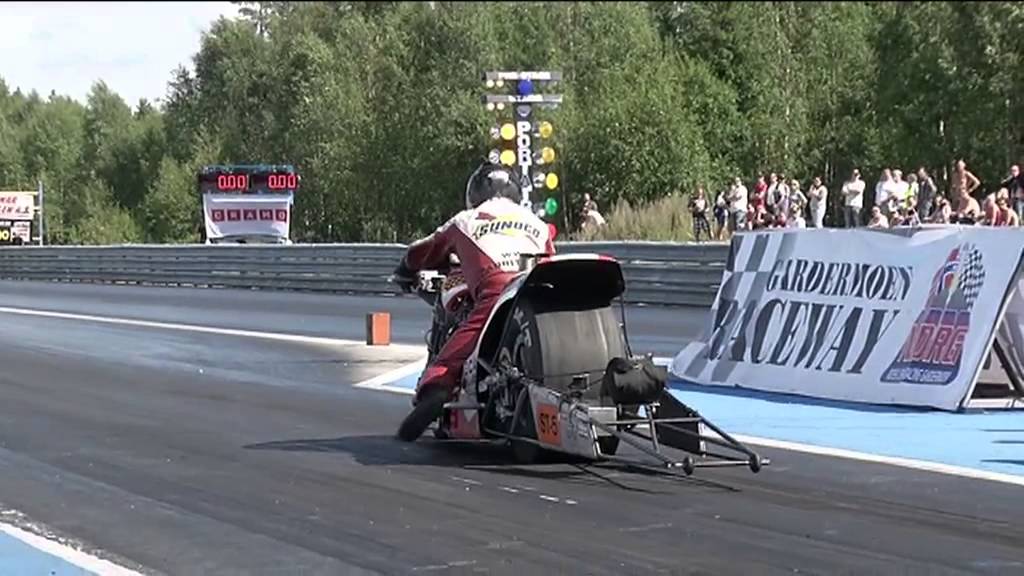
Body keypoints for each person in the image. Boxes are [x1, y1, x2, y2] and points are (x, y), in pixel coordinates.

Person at [392, 162, 555, 441]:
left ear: (476, 192)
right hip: (543, 286)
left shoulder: (466, 220)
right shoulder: (538, 223)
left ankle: (437, 390)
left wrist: (405, 268)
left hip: (497, 285)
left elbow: (425, 250)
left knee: (451, 355)